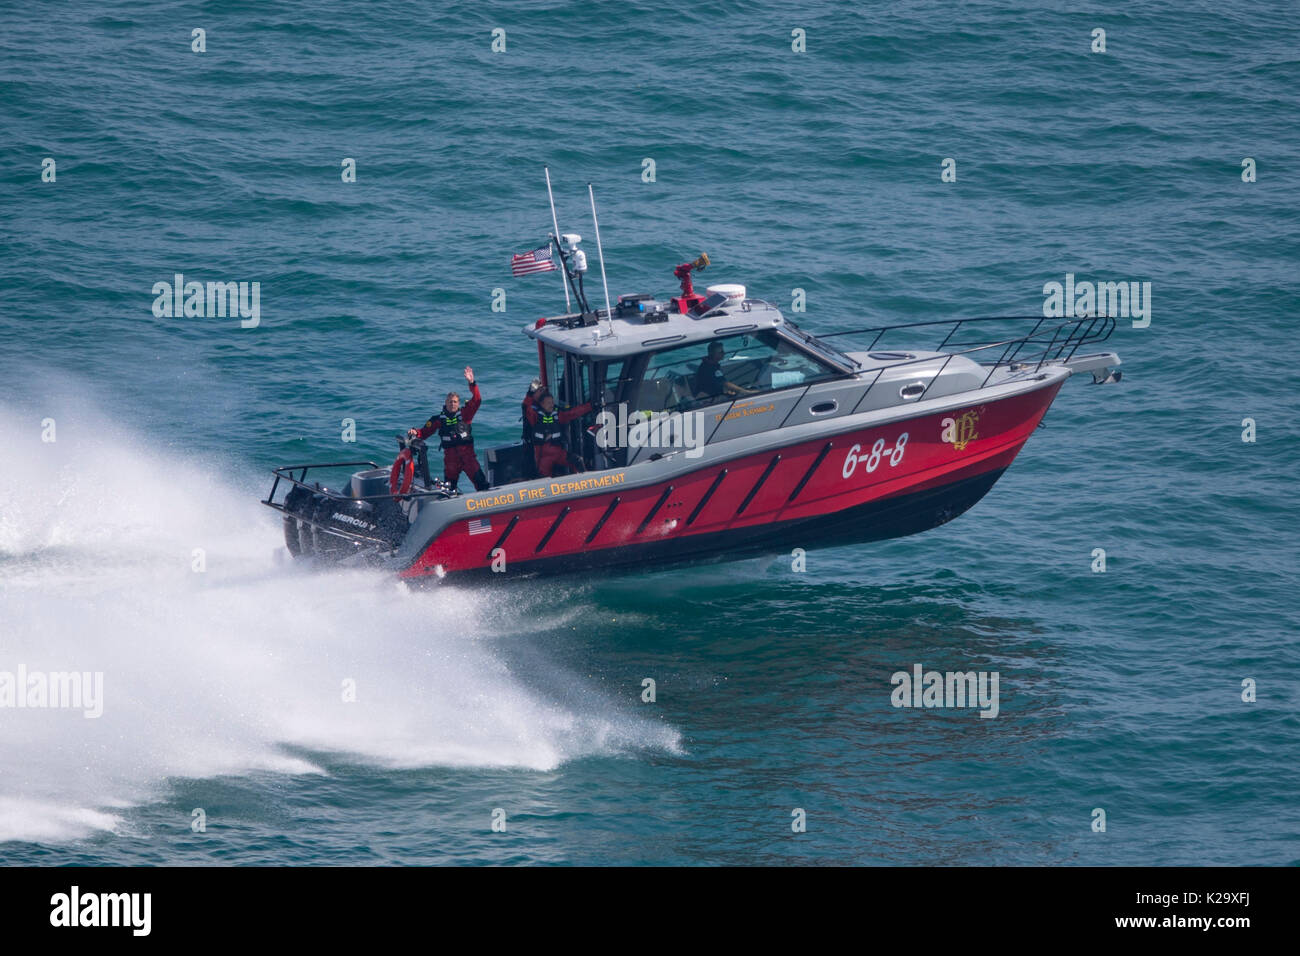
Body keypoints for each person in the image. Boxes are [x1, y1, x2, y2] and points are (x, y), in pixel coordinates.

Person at [409, 366, 490, 492]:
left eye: (455, 402)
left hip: (468, 458)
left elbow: (477, 400)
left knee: (482, 484)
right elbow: (424, 432)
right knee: (449, 490)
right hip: (451, 461)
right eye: (450, 401)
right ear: (446, 402)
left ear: (458, 403)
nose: (452, 404)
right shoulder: (438, 420)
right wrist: (415, 432)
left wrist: (472, 383)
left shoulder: (465, 414)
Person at [522, 385, 592, 478]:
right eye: (548, 403)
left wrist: (590, 406)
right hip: (543, 455)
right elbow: (526, 406)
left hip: (558, 452)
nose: (551, 405)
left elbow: (573, 413)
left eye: (552, 402)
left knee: (578, 460)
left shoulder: (558, 415)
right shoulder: (535, 417)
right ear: (542, 404)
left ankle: (585, 480)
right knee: (543, 478)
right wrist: (530, 393)